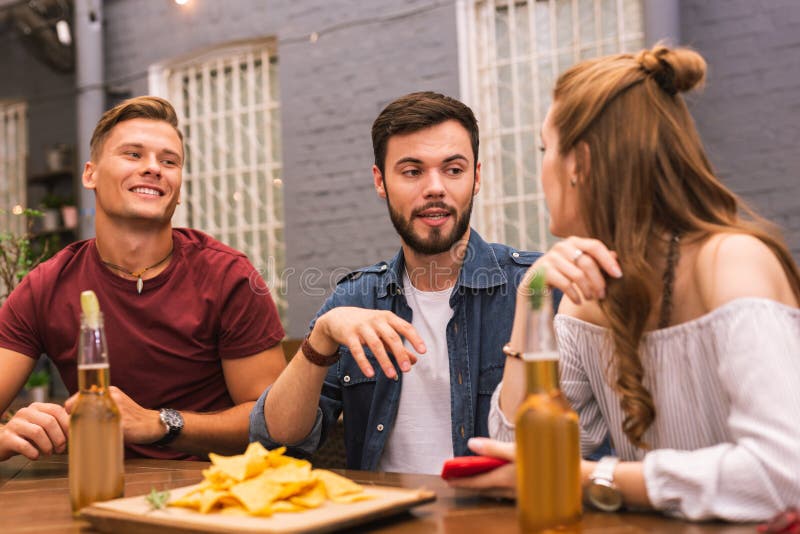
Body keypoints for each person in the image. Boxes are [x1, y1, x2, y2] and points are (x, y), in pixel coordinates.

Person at [448, 44, 800, 522]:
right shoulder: (581, 299)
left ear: (580, 165)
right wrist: (531, 300)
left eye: (544, 149)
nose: (542, 168)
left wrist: (592, 478)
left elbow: (783, 476)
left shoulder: (732, 262)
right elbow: (516, 453)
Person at [249, 91, 541, 473]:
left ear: (477, 178)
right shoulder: (355, 299)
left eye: (453, 170)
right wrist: (321, 337)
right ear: (380, 181)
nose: (434, 187)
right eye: (412, 171)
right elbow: (274, 441)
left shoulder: (533, 290)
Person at [0, 96, 286, 462]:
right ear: (90, 174)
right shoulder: (48, 285)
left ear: (178, 188)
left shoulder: (227, 275)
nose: (153, 168)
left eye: (169, 161)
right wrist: (8, 436)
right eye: (133, 154)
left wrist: (159, 424)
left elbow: (273, 424)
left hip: (215, 493)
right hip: (98, 487)